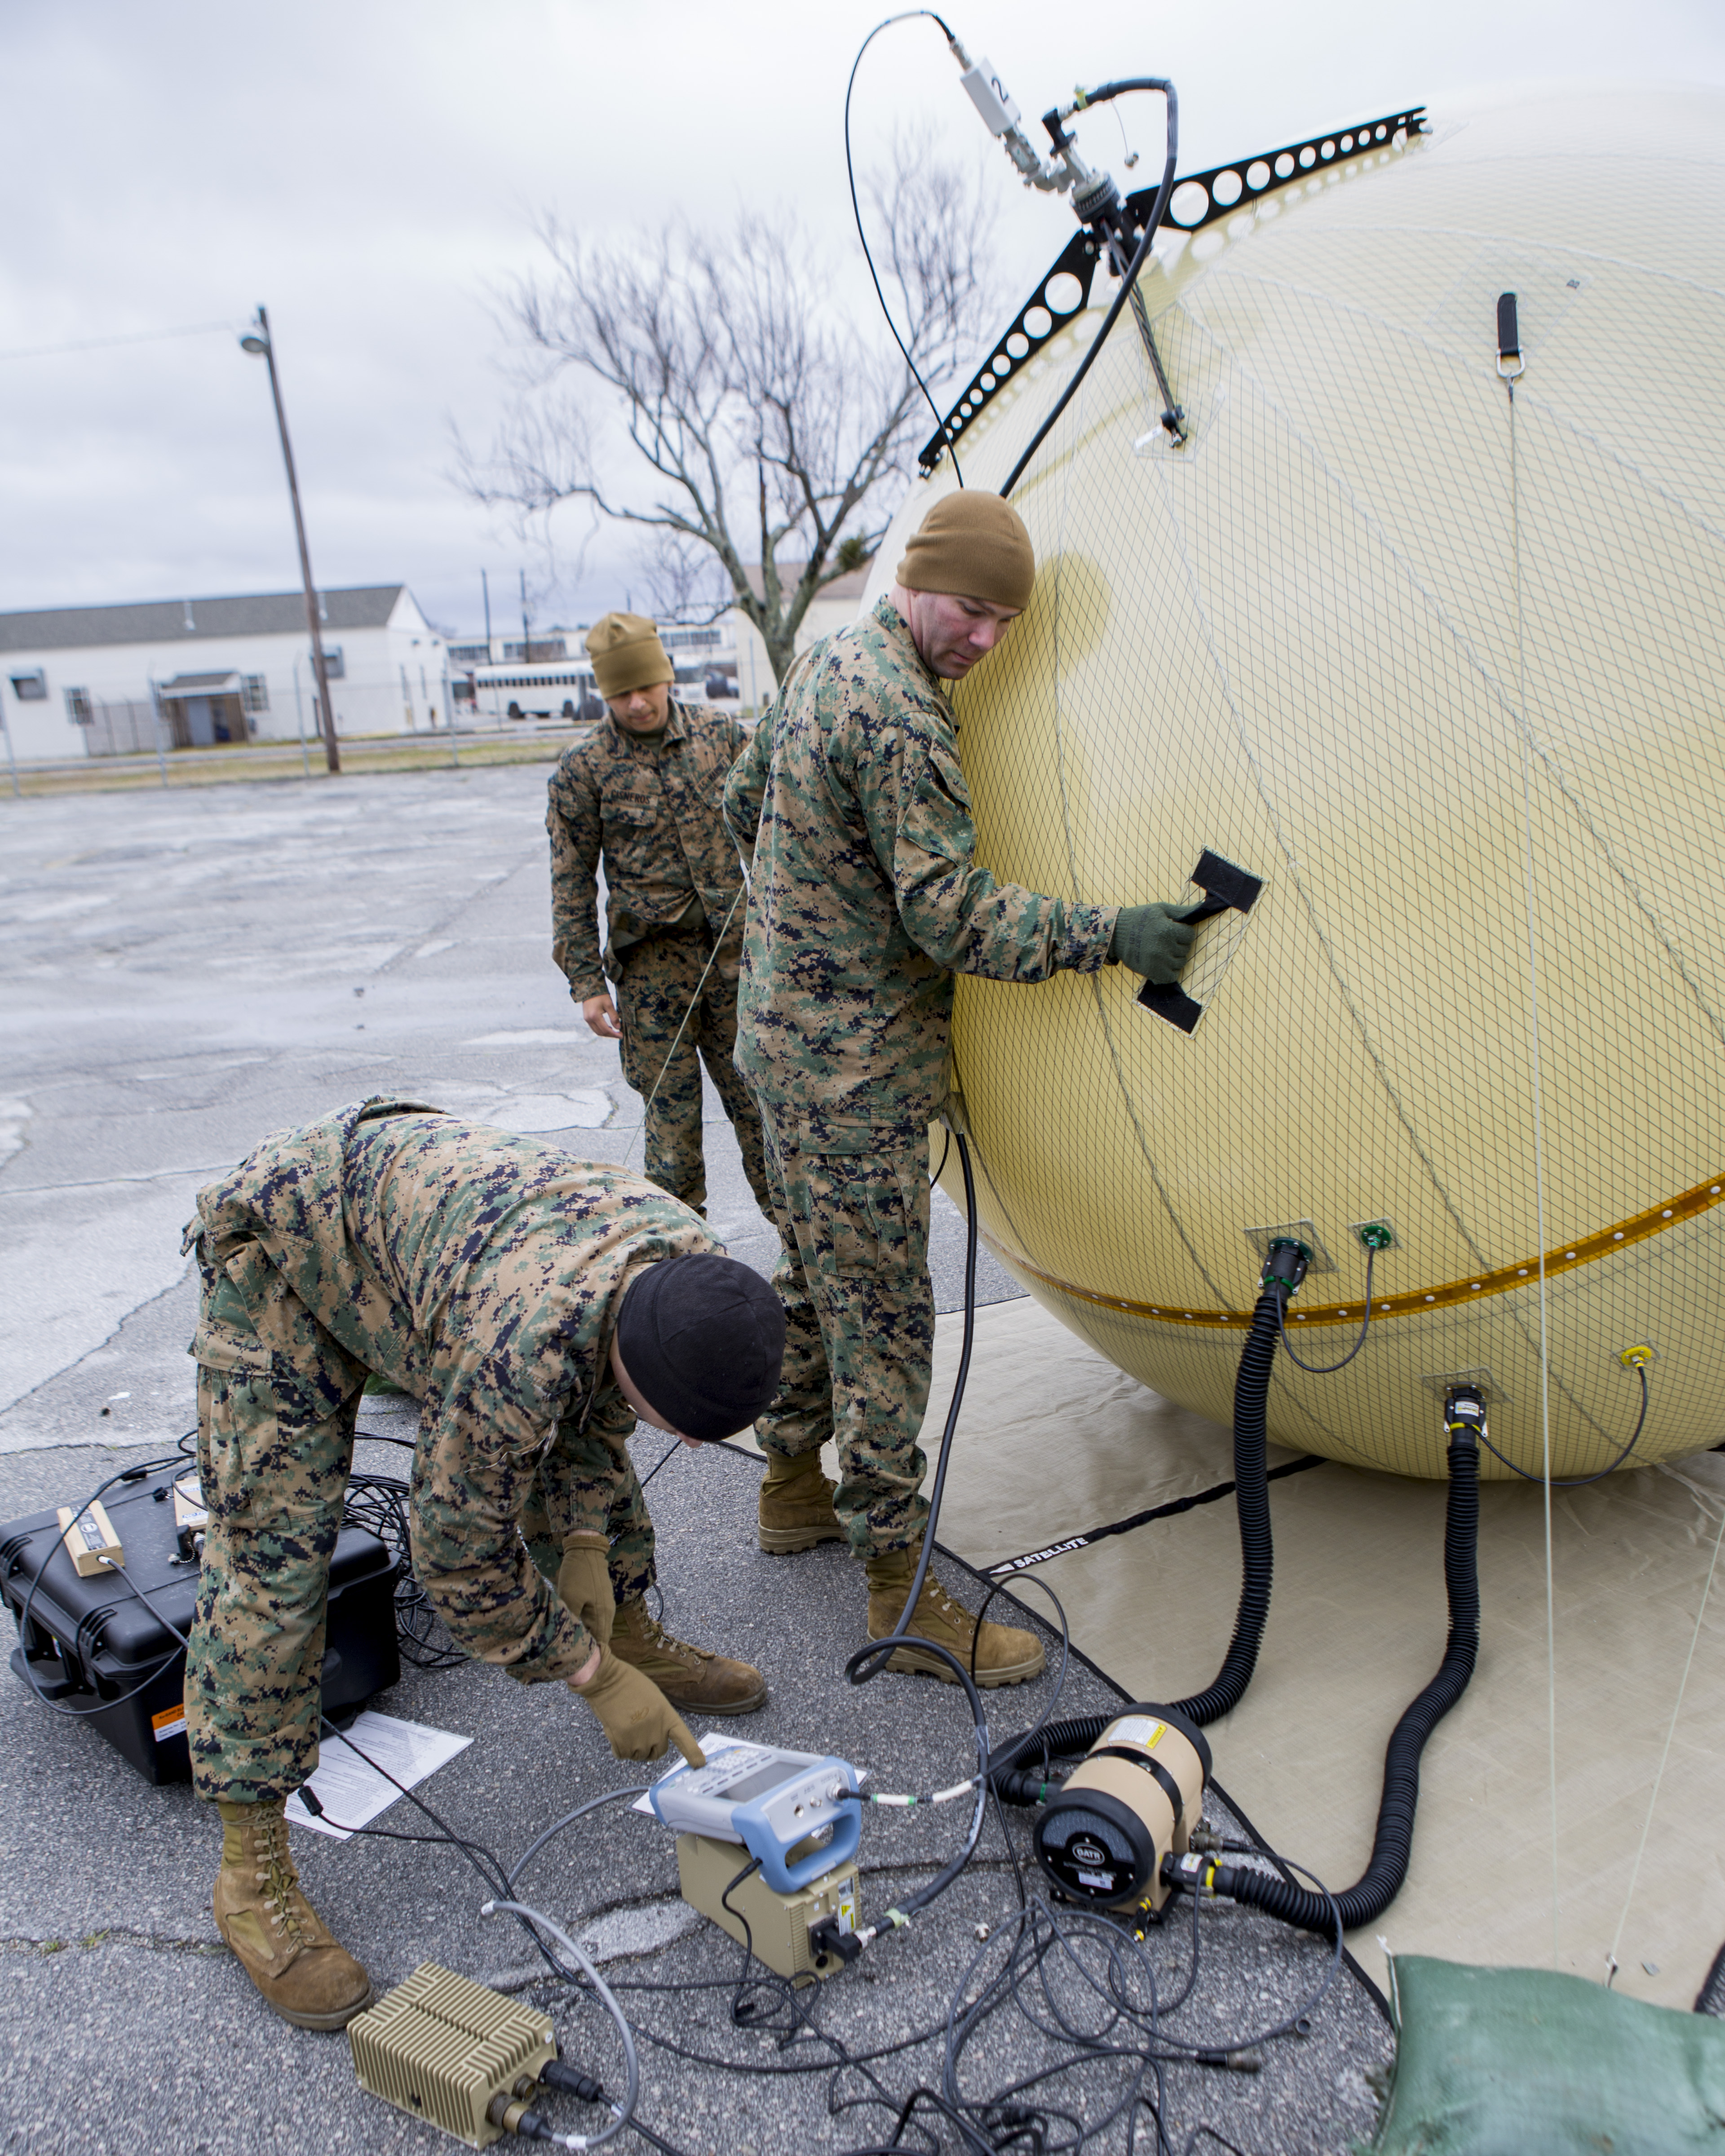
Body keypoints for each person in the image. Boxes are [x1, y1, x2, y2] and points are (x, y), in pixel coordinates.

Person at [723, 490, 1199, 1683]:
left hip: (780, 1051)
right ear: (922, 579)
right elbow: (952, 916)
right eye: (975, 609)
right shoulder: (903, 719)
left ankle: (790, 1484)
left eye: (1006, 620)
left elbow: (743, 803)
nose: (986, 638)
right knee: (883, 1319)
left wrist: (809, 910)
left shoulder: (823, 664)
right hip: (854, 1082)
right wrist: (1113, 935)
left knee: (812, 1277)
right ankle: (899, 1590)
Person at [181, 1097, 784, 2031]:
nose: (698, 1452)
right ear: (643, 1360)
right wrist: (586, 1672)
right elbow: (458, 1557)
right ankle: (250, 1879)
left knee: (595, 1472)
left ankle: (636, 1634)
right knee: (276, 1564)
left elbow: (598, 1415)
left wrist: (585, 1543)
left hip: (429, 1246)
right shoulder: (518, 1351)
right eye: (689, 1426)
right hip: (290, 1253)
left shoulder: (683, 1266)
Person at [548, 611, 769, 1219]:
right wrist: (587, 985)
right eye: (621, 693)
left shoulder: (721, 738)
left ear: (667, 675)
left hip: (736, 967)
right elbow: (570, 880)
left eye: (647, 686)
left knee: (768, 1126)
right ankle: (680, 1285)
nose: (638, 702)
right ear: (604, 693)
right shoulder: (583, 770)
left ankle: (808, 1278)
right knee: (671, 1153)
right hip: (652, 981)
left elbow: (777, 828)